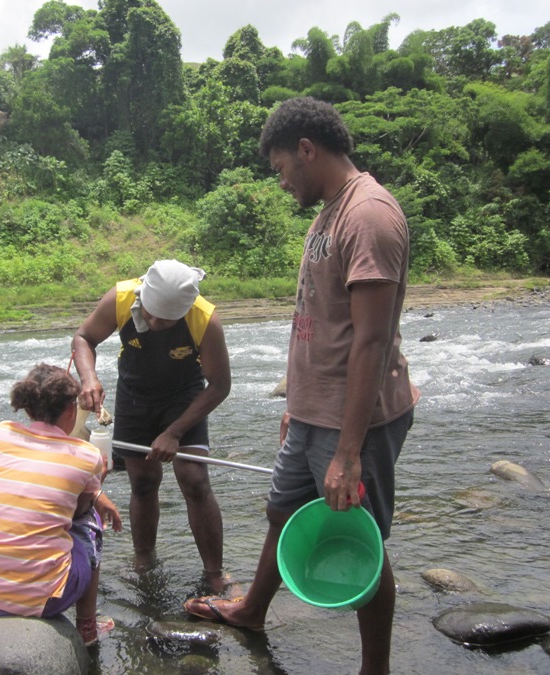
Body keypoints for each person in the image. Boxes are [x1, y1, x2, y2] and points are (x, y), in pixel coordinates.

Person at [182, 97, 420, 675]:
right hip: (314, 411)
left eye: (281, 168)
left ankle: (375, 668)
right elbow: (315, 316)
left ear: (307, 150)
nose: (282, 181)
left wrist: (347, 452)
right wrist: (296, 400)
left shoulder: (368, 216)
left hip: (352, 421)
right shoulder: (328, 214)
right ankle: (252, 610)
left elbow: (370, 341)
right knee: (283, 513)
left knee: (358, 539)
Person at [72, 259, 232, 593]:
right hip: (134, 395)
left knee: (194, 479)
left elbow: (218, 385)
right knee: (142, 482)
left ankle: (215, 574)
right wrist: (89, 377)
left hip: (184, 399)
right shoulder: (120, 297)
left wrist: (175, 431)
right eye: (150, 313)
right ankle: (144, 560)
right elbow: (85, 337)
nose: (155, 322)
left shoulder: (205, 318)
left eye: (166, 318)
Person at [0, 363, 123, 646]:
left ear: (28, 408)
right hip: (43, 599)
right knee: (90, 522)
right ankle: (87, 628)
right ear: (72, 410)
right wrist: (97, 493)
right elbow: (79, 505)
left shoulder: (2, 433)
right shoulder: (86, 455)